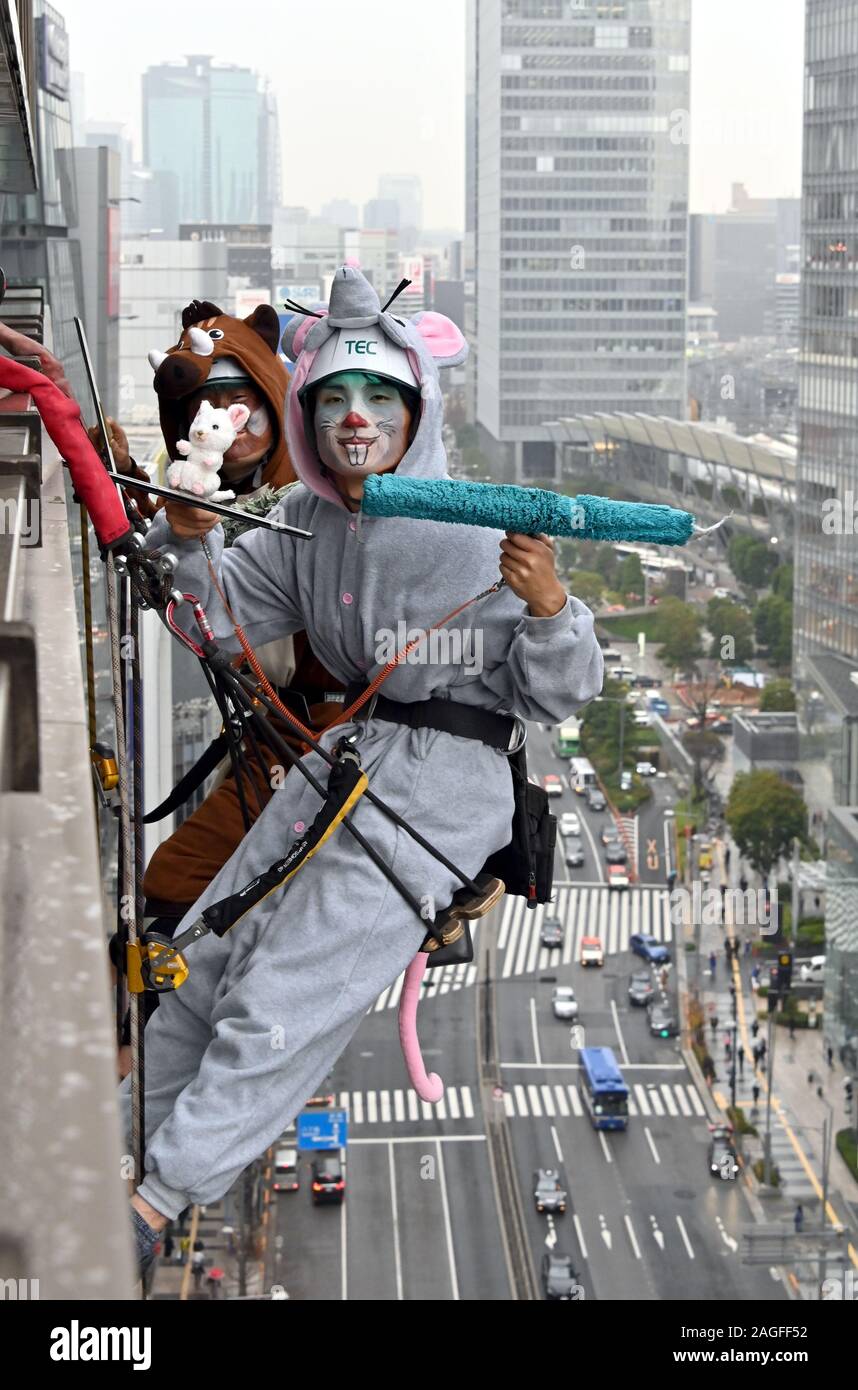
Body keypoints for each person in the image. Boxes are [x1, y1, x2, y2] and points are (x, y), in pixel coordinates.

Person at [120, 265, 604, 1276]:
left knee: (282, 995)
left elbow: (554, 694)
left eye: (378, 396)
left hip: (438, 794)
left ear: (415, 408)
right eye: (334, 398)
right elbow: (214, 628)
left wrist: (553, 606)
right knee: (214, 959)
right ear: (308, 411)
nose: (355, 419)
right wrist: (192, 540)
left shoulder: (476, 522)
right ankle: (119, 1137)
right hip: (347, 755)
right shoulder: (305, 524)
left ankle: (155, 1197)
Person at [101, 300, 347, 1076]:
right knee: (183, 888)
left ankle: (140, 1049)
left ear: (275, 400)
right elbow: (183, 569)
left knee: (178, 882)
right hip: (281, 731)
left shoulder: (314, 502)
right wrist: (145, 501)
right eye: (205, 407)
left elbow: (223, 611)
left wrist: (175, 529)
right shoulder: (228, 502)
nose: (226, 421)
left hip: (324, 732)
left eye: (243, 400)